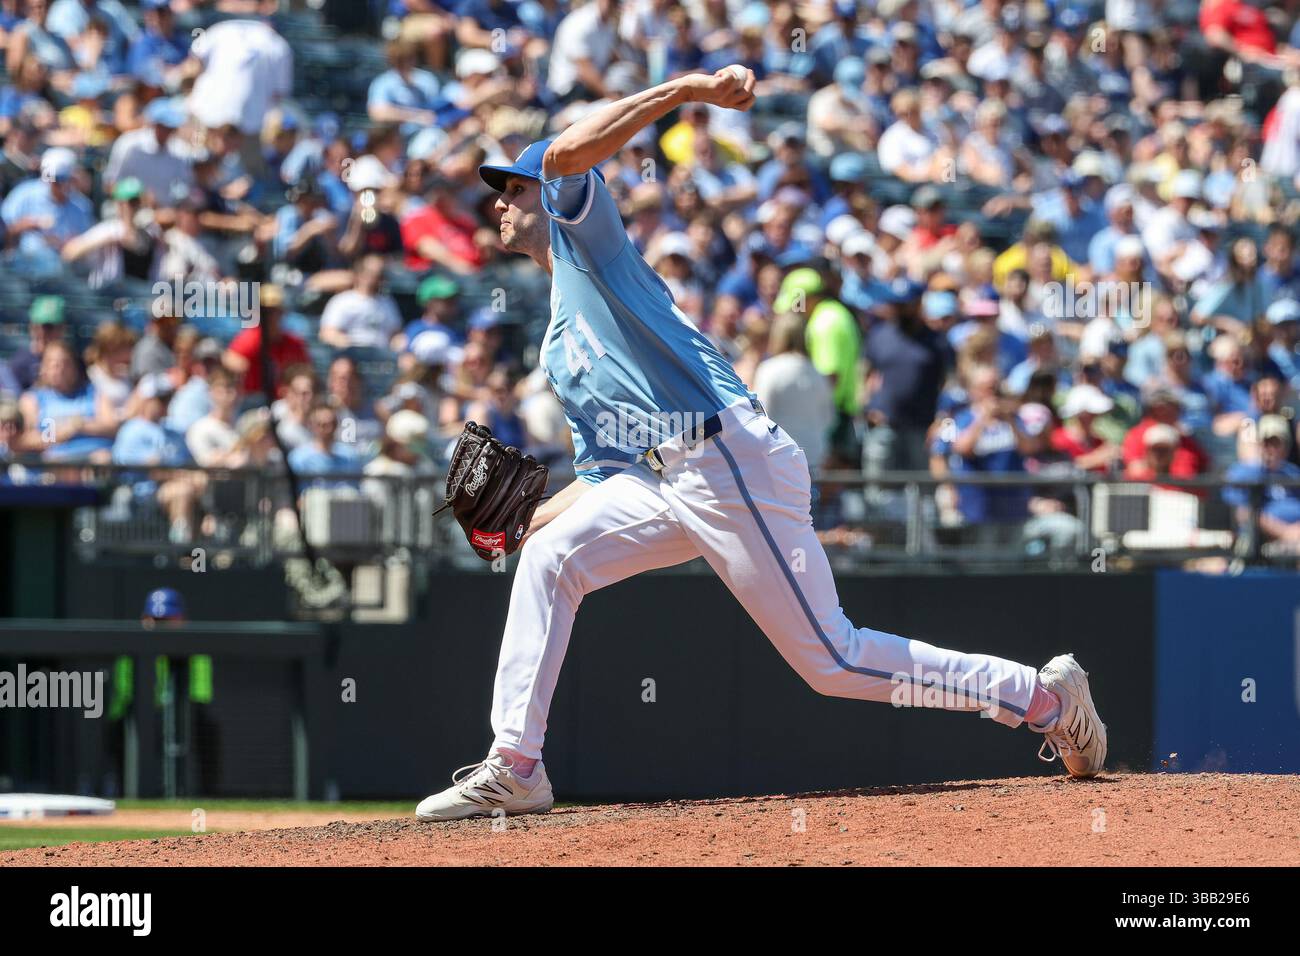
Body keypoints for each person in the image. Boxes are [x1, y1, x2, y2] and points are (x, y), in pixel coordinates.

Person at [415, 67, 1106, 823]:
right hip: (660, 478)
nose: (501, 201)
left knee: (832, 659)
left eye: (511, 189)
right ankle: (516, 765)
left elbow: (567, 157)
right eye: (503, 191)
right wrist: (516, 525)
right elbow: (603, 473)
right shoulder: (556, 346)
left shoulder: (589, 248)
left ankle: (1042, 698)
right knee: (549, 561)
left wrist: (683, 91)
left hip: (725, 457)